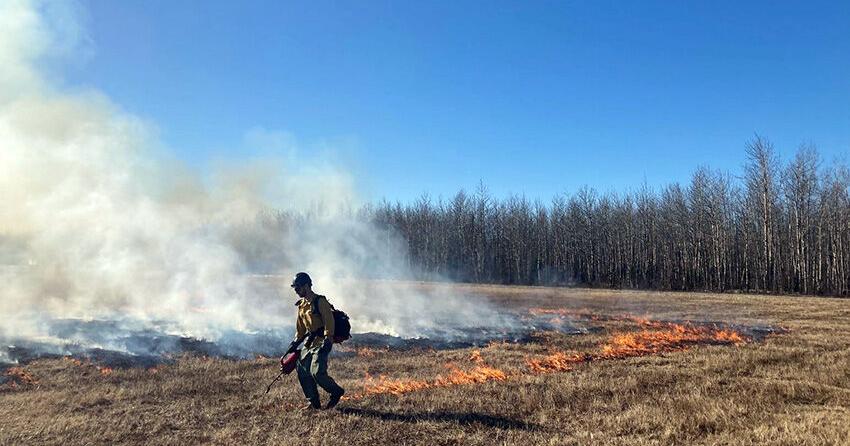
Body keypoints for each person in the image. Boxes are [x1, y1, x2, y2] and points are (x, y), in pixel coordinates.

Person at [287, 272, 345, 410]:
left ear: (306, 286)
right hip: (309, 343)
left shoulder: (320, 301)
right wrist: (295, 342)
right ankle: (313, 403)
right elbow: (300, 328)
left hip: (322, 342)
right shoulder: (302, 305)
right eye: (295, 288)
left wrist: (328, 338)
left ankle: (336, 392)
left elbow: (329, 321)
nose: (296, 291)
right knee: (302, 371)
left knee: (317, 372)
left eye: (298, 288)